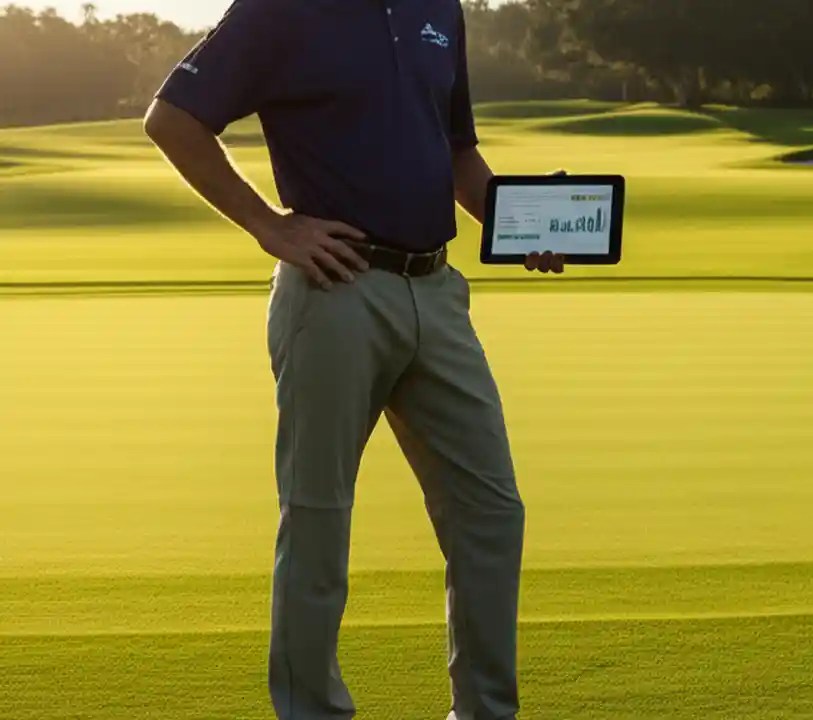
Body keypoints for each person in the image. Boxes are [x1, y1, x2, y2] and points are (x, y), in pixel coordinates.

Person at [144, 1, 558, 718]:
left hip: (438, 291)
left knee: (491, 512)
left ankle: (486, 711)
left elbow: (457, 151)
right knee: (318, 518)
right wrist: (269, 225)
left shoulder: (440, 9)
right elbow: (173, 118)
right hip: (335, 291)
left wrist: (523, 224)